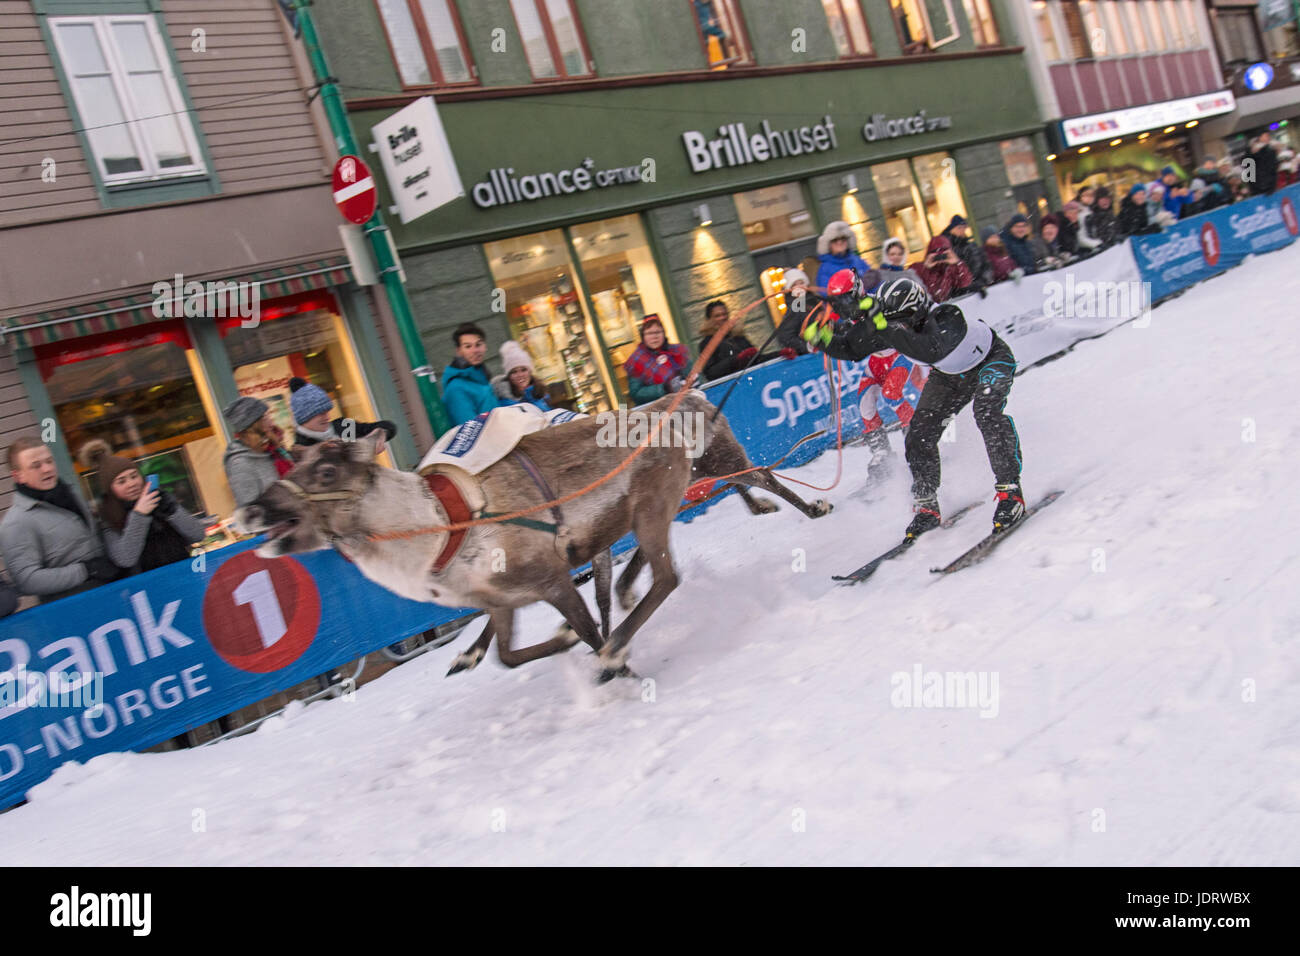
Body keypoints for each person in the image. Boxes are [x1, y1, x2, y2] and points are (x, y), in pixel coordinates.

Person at [807, 271, 1025, 536]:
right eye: (892, 323)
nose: (898, 328)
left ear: (916, 312)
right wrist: (823, 339)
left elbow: (929, 350)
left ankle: (1010, 492)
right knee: (919, 433)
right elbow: (852, 348)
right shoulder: (890, 324)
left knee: (987, 413)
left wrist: (884, 326)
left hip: (990, 359)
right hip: (949, 376)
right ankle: (926, 505)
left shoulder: (947, 315)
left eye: (901, 323)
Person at [0, 437, 124, 603]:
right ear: (18, 476)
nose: (47, 469)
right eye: (36, 466)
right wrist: (86, 570)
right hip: (73, 609)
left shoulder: (69, 494)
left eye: (49, 461)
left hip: (112, 594)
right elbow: (26, 580)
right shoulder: (16, 522)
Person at [79, 439, 206, 574]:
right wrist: (139, 514)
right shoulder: (108, 517)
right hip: (146, 583)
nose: (131, 484)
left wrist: (171, 510)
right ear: (110, 489)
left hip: (185, 574)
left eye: (134, 476)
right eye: (121, 482)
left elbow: (198, 534)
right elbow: (125, 559)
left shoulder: (160, 499)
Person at [222, 396, 294, 509]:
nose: (271, 422)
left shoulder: (272, 450)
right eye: (265, 418)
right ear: (254, 426)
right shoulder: (240, 464)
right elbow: (249, 510)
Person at [290, 378, 397, 450]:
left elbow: (389, 426)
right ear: (305, 418)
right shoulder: (303, 451)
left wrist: (380, 434)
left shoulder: (344, 426)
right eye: (321, 413)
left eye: (327, 412)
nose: (327, 417)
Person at [696, 300, 793, 380]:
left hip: (752, 381)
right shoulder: (706, 344)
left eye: (725, 314)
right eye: (717, 316)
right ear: (709, 320)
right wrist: (736, 359)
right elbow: (710, 373)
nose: (723, 318)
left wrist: (779, 354)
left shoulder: (738, 337)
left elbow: (757, 358)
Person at [442, 322, 507, 427]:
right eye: (468, 346)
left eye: (478, 344)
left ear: (485, 346)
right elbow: (469, 430)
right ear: (459, 351)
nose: (475, 350)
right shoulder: (456, 388)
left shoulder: (481, 378)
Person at [624, 316, 691, 404]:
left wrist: (690, 381)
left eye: (658, 332)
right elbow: (636, 394)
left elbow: (693, 375)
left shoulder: (677, 351)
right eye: (649, 333)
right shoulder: (636, 361)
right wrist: (664, 388)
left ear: (664, 333)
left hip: (687, 401)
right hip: (659, 408)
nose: (654, 337)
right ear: (643, 336)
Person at [491, 340, 552, 411]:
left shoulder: (539, 391)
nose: (520, 375)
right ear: (509, 376)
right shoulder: (505, 403)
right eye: (514, 372)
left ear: (530, 371)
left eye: (523, 370)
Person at [911, 235, 974, 302]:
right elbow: (927, 292)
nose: (940, 257)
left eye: (944, 254)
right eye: (935, 253)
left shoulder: (950, 268)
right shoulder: (917, 268)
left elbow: (965, 283)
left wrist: (957, 263)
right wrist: (925, 268)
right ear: (928, 254)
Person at [940, 216, 993, 292]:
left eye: (964, 228)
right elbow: (950, 276)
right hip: (964, 293)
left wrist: (983, 281)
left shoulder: (972, 246)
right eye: (959, 228)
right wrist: (969, 286)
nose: (963, 230)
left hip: (980, 288)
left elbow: (986, 265)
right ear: (952, 229)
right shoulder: (946, 249)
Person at [815, 220, 871, 290]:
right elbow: (826, 292)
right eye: (835, 240)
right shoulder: (825, 269)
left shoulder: (858, 261)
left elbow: (873, 283)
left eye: (843, 238)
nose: (840, 242)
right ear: (828, 245)